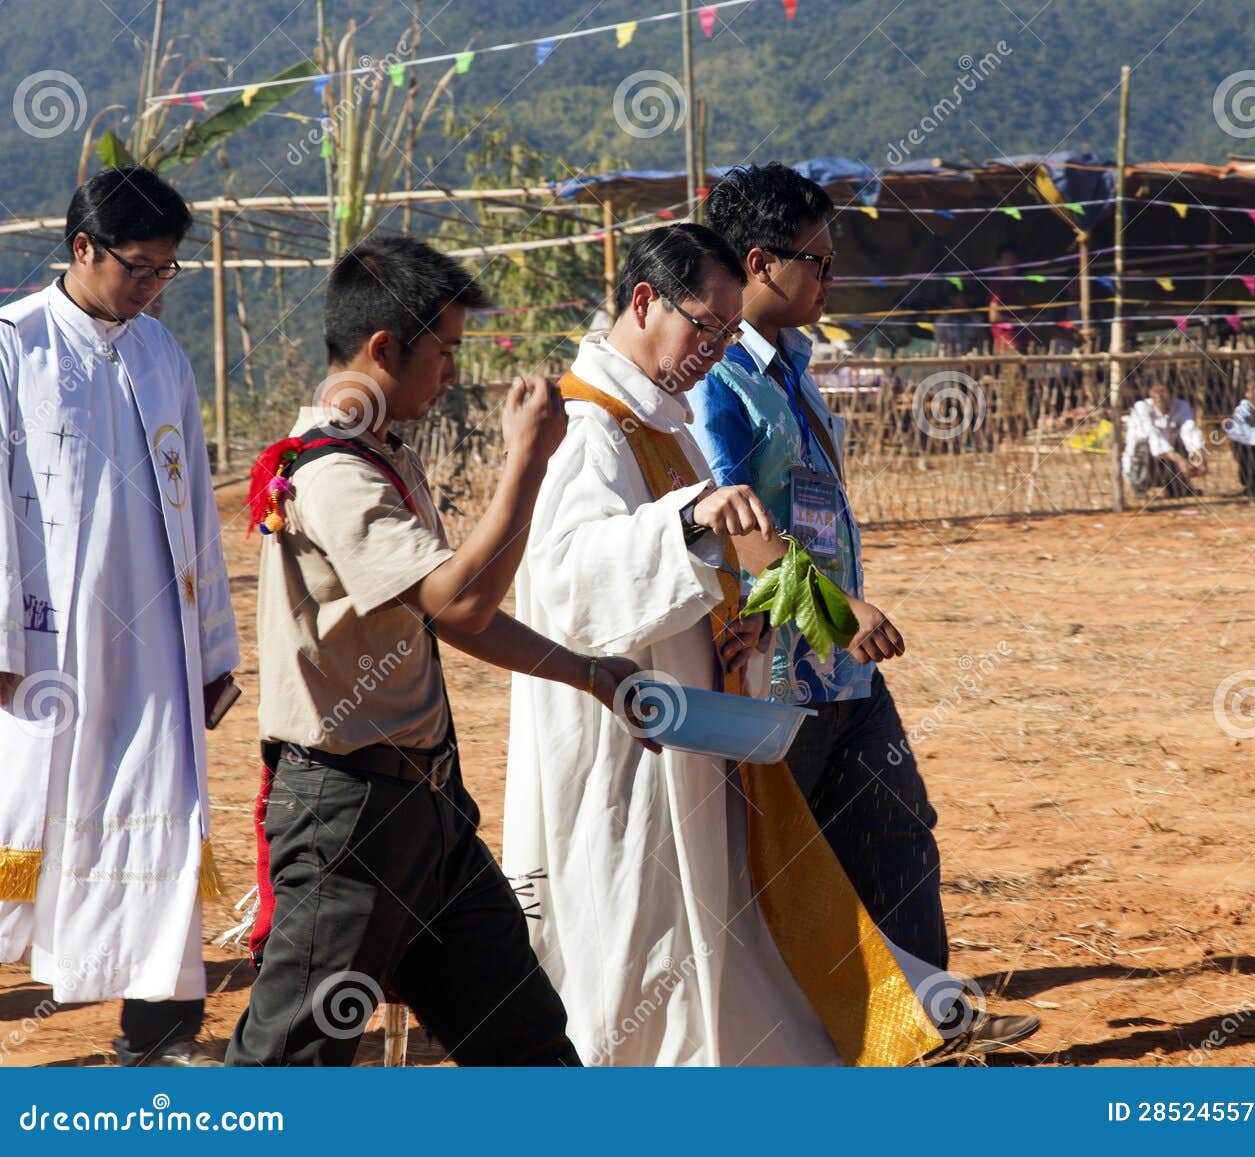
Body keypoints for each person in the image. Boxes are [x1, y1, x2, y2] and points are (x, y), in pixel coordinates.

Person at [505, 224, 987, 1067]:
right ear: (645, 302)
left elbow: (711, 564)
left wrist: (746, 618)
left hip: (695, 729)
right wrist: (685, 519)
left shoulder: (667, 423)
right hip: (623, 751)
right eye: (706, 326)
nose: (714, 349)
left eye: (730, 332)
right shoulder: (587, 430)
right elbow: (566, 586)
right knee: (636, 932)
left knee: (718, 936)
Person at [228, 236, 639, 1066]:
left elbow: (454, 614)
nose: (451, 370)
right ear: (386, 347)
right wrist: (528, 457)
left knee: (524, 1040)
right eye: (444, 349)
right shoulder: (336, 474)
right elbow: (464, 597)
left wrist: (589, 674)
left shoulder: (382, 456)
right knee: (289, 1064)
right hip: (348, 816)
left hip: (427, 810)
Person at [689, 166, 1035, 1057]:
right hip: (770, 676)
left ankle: (935, 1027)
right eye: (817, 263)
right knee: (786, 873)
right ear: (758, 262)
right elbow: (734, 529)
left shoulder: (796, 369)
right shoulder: (714, 386)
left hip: (843, 668)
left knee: (895, 837)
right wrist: (838, 611)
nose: (828, 280)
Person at [0, 166, 239, 1066]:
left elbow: (199, 520)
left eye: (165, 271)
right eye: (138, 268)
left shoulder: (160, 354)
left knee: (163, 813)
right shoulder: (13, 347)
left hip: (156, 655)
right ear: (83, 250)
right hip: (49, 648)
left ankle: (160, 1023)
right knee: (21, 817)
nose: (149, 288)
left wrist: (212, 645)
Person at [1122, 379, 1207, 498]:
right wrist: (1179, 460)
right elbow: (1152, 437)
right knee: (1143, 445)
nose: (1158, 396)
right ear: (1150, 393)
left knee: (1181, 442)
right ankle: (1139, 489)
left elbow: (1190, 431)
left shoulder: (1181, 406)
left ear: (1172, 393)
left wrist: (1198, 457)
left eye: (1162, 391)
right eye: (1154, 391)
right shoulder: (1142, 407)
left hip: (1167, 464)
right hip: (1142, 465)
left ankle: (1178, 487)